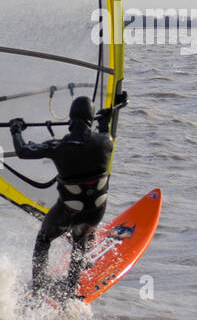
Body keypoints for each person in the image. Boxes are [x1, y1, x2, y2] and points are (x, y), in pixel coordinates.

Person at [9, 95, 117, 298]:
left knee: (43, 240)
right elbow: (104, 132)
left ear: (70, 119)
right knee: (80, 239)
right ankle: (71, 289)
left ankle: (39, 291)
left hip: (70, 210)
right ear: (90, 120)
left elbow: (22, 151)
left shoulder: (58, 147)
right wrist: (105, 121)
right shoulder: (106, 142)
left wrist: (15, 129)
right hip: (95, 211)